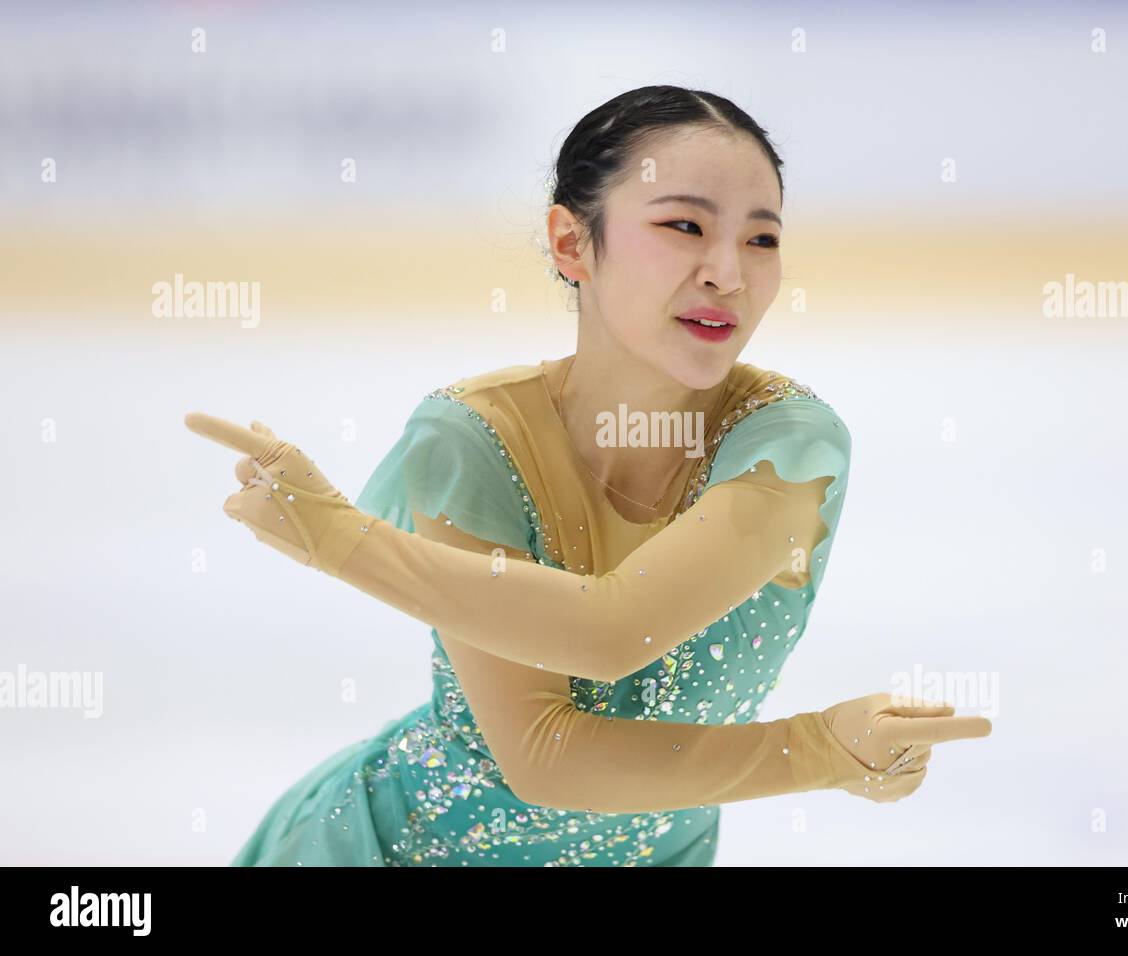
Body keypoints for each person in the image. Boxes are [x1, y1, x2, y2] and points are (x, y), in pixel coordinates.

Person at [186, 85, 992, 867]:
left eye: (761, 238)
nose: (729, 274)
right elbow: (547, 754)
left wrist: (341, 542)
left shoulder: (787, 444)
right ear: (573, 243)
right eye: (685, 225)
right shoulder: (470, 440)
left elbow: (618, 630)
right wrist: (820, 751)